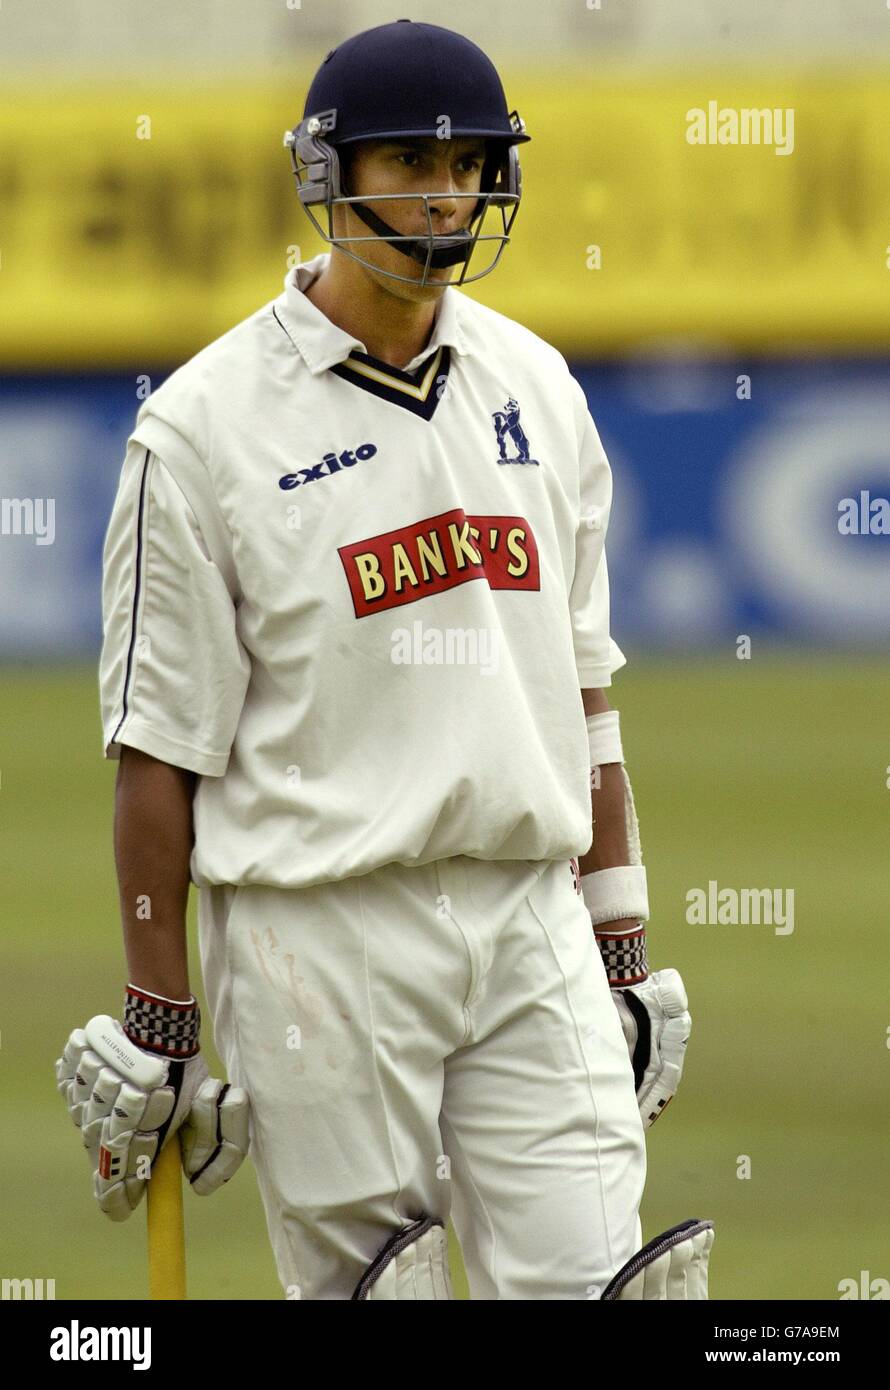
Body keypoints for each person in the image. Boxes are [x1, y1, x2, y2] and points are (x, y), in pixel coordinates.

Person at [56, 19, 712, 1300]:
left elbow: (586, 700)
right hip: (320, 934)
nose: (445, 192)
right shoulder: (198, 431)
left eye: (468, 164)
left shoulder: (539, 388)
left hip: (529, 922)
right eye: (407, 159)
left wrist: (618, 943)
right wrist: (161, 1020)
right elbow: (158, 758)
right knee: (382, 1293)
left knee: (609, 1288)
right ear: (324, 178)